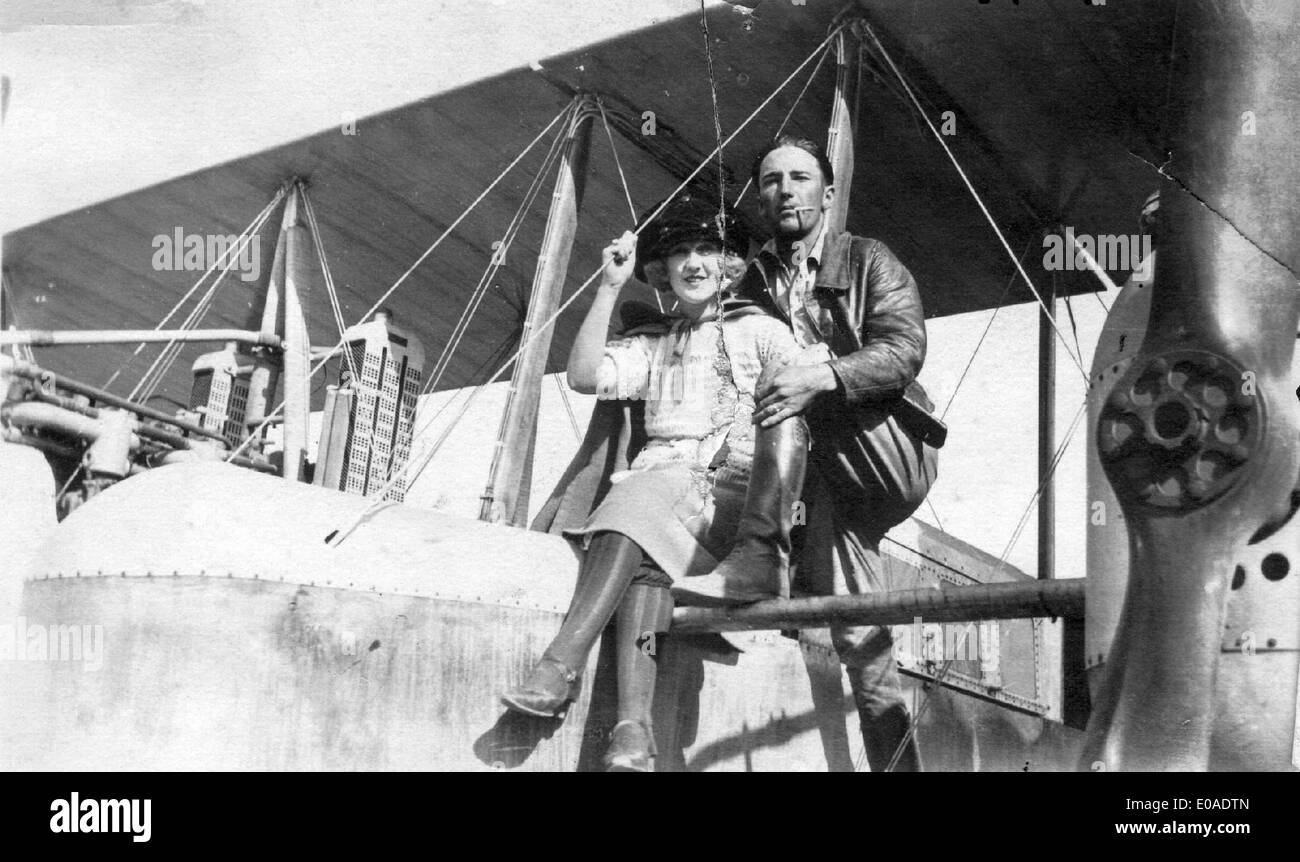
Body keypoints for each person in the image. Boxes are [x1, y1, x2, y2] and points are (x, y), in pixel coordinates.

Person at [500, 194, 811, 771]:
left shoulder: (763, 333)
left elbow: (799, 407)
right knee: (644, 560)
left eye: (708, 251)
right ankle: (633, 732)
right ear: (662, 272)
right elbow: (585, 375)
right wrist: (608, 288)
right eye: (680, 254)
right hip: (658, 500)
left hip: (733, 502)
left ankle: (561, 663)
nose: (694, 263)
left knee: (635, 496)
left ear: (731, 267)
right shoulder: (656, 344)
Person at [673, 136, 943, 773]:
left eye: (799, 178)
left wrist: (821, 374)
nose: (784, 190)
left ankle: (759, 555)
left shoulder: (870, 260)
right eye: (770, 181)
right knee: (858, 630)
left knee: (787, 384)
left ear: (826, 195)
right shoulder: (757, 277)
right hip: (822, 473)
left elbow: (903, 351)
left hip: (888, 444)